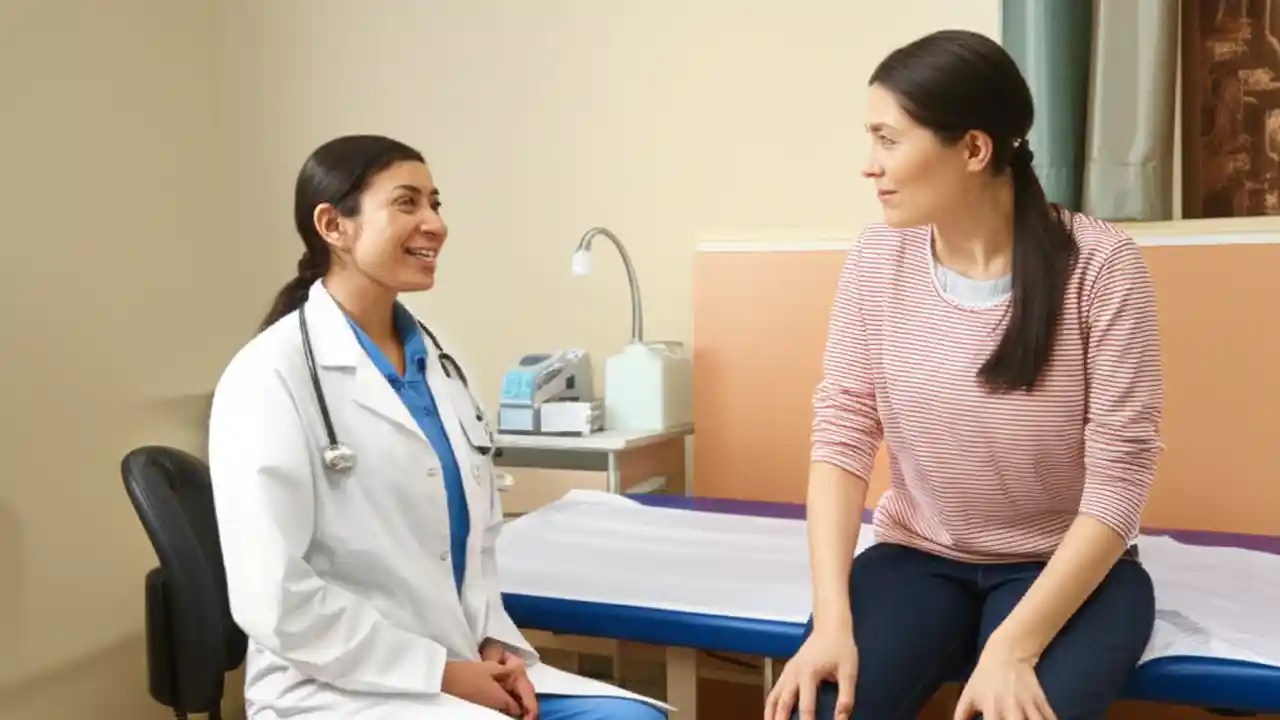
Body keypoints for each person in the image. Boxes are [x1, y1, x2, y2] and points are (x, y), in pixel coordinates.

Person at [764, 30, 1163, 720]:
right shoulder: (875, 258)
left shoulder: (1101, 265)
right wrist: (831, 621)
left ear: (974, 149)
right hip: (918, 557)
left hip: (1065, 569)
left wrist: (1012, 647)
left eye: (889, 139)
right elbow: (842, 437)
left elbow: (1120, 483)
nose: (869, 165)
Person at [207, 134, 668, 720]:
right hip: (336, 688)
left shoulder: (441, 361)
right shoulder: (270, 375)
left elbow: (477, 546)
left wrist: (494, 642)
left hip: (462, 659)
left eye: (435, 202)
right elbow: (274, 597)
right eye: (406, 203)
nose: (435, 223)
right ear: (333, 225)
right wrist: (441, 674)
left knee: (632, 719)